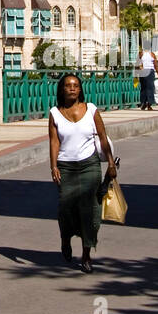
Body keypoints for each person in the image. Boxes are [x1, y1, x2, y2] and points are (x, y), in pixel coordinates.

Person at [48, 73, 117, 274]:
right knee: (66, 208)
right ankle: (65, 239)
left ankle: (86, 255)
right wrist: (53, 166)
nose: (72, 89)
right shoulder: (55, 113)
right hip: (66, 167)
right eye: (68, 86)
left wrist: (111, 163)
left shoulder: (91, 110)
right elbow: (54, 142)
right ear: (62, 89)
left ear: (80, 89)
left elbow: (103, 138)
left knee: (90, 212)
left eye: (76, 86)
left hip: (90, 165)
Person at [136, 42, 158, 110]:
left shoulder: (141, 53)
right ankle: (149, 104)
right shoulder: (152, 54)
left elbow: (137, 64)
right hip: (150, 71)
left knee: (143, 88)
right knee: (150, 88)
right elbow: (156, 65)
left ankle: (143, 102)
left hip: (142, 72)